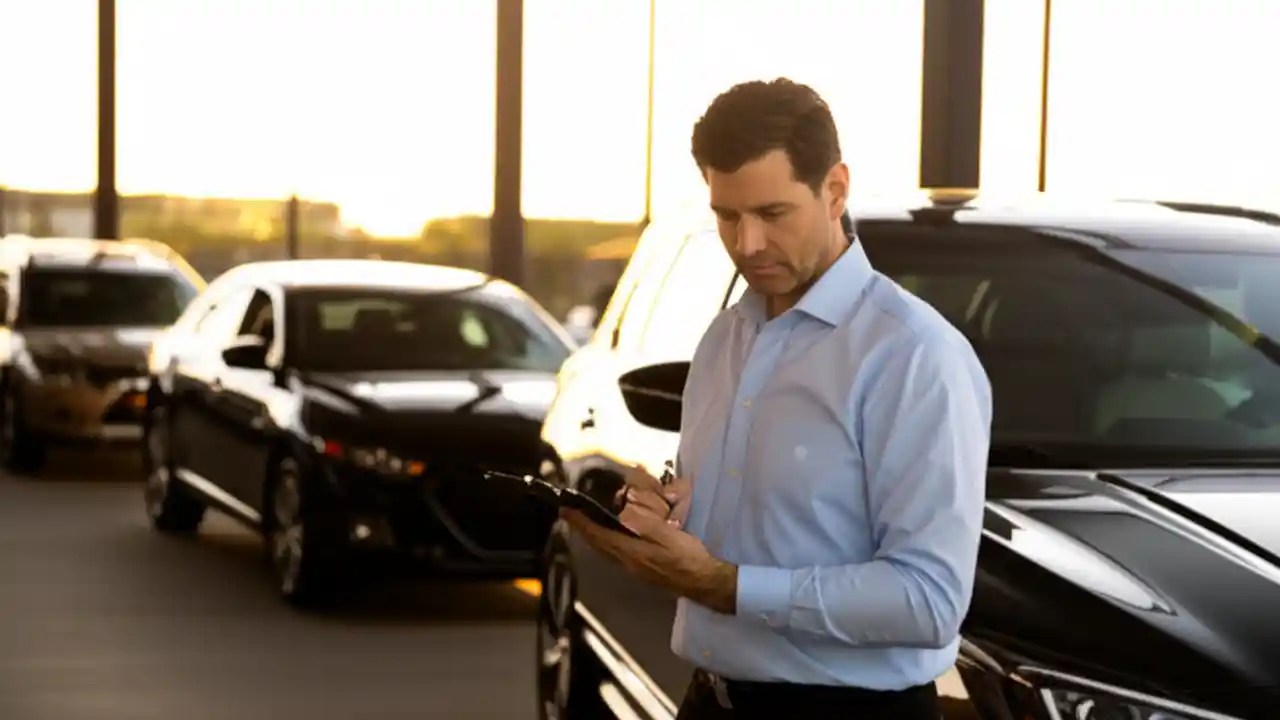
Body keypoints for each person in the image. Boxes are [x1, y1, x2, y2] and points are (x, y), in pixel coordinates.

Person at [562, 78, 992, 719]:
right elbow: (766, 517)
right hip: (710, 698)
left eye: (771, 213)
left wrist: (726, 586)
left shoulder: (914, 357)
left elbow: (929, 599)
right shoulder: (726, 336)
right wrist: (670, 507)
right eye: (727, 216)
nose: (747, 245)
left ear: (835, 190)